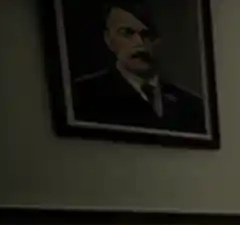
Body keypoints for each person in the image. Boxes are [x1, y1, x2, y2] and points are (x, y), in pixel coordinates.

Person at [70, 2, 207, 134]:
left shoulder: (192, 106)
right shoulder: (84, 95)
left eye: (147, 34)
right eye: (127, 33)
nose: (139, 43)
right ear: (108, 39)